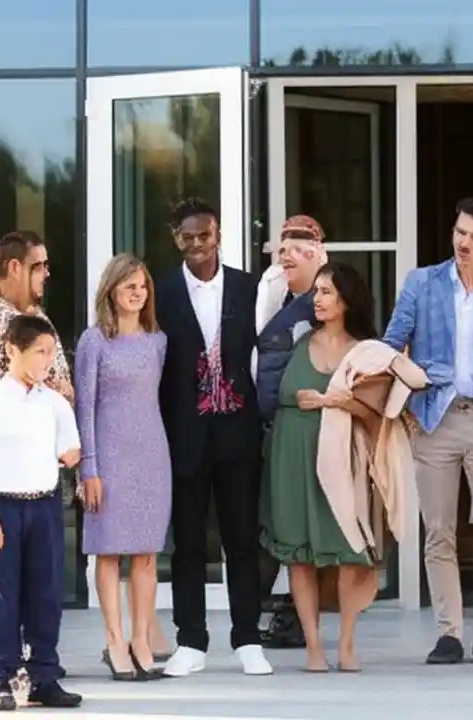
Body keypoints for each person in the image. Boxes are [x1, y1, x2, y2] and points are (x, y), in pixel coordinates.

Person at [383, 197, 473, 665]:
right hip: (433, 418)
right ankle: (448, 634)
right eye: (459, 231)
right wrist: (400, 402)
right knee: (438, 531)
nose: (463, 242)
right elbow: (392, 343)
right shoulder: (421, 282)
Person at [0, 230, 75, 683]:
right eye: (40, 265)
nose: (46, 274)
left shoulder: (32, 318)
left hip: (39, 478)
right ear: (14, 268)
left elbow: (59, 390)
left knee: (41, 586)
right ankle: (1, 670)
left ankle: (40, 670)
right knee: (2, 585)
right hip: (0, 482)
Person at [156, 197, 271, 677]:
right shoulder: (160, 292)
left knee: (242, 539)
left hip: (238, 432)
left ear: (218, 234)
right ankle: (192, 641)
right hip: (183, 433)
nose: (197, 244)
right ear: (176, 239)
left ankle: (247, 638)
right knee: (186, 543)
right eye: (187, 237)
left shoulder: (250, 288)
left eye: (204, 235)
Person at [263, 262, 381, 672]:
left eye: (327, 292)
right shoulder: (294, 339)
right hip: (292, 453)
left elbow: (378, 414)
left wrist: (334, 401)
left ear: (347, 299)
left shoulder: (364, 350)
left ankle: (347, 643)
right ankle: (313, 647)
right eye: (315, 291)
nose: (317, 299)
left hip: (343, 456)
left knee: (350, 551)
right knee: (299, 556)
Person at [0, 315, 82, 710]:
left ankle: (43, 674)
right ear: (13, 350)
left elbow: (70, 449)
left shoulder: (54, 403)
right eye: (40, 352)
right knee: (1, 593)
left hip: (44, 503)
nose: (48, 361)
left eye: (51, 352)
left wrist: (71, 452)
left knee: (45, 592)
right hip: (3, 504)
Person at [74, 253, 171, 680]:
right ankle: (114, 640)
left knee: (146, 555)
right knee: (109, 553)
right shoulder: (94, 341)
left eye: (143, 286)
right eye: (129, 285)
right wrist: (88, 469)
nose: (138, 292)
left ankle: (140, 640)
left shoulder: (157, 342)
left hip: (151, 454)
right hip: (108, 459)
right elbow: (85, 408)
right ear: (111, 289)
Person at [253, 215, 328, 650]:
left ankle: (304, 621)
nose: (288, 256)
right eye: (284, 247)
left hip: (306, 432)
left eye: (300, 247)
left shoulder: (323, 306)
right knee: (265, 528)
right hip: (264, 430)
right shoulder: (268, 296)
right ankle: (262, 615)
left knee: (304, 529)